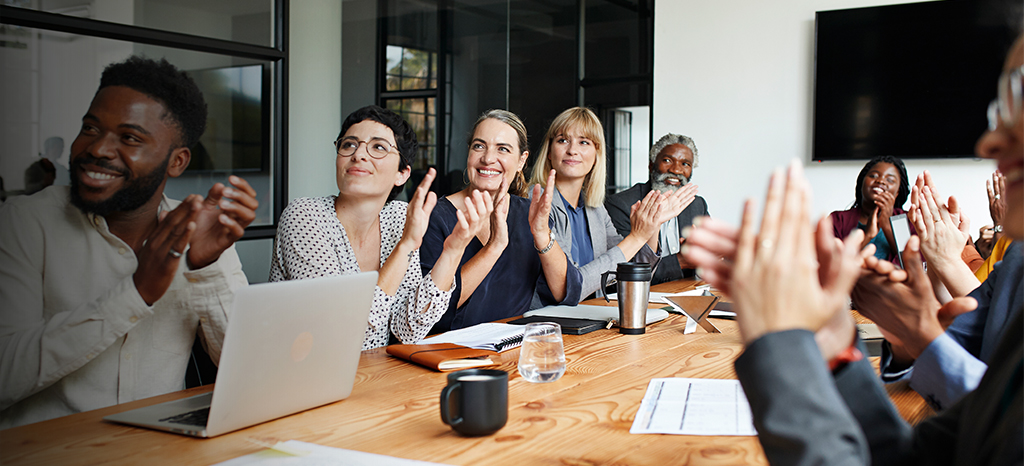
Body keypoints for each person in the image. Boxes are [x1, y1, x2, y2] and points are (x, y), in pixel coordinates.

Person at [682, 35, 1024, 465]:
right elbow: (914, 454)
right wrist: (834, 346)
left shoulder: (906, 225)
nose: (989, 143)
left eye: (1019, 97)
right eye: (1001, 110)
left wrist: (783, 348)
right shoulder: (1018, 263)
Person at [0, 56, 259, 428]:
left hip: (156, 451)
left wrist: (207, 268)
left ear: (177, 162)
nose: (98, 149)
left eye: (129, 138)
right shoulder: (24, 223)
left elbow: (247, 369)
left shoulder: (200, 233)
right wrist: (135, 293)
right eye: (90, 128)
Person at [269, 105, 489, 349]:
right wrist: (406, 246)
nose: (358, 154)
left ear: (402, 174)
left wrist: (453, 251)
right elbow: (338, 337)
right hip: (301, 379)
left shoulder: (397, 217)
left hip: (372, 376)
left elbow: (408, 329)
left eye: (378, 147)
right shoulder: (305, 217)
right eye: (349, 144)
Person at [420, 109, 582, 332]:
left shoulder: (529, 213)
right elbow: (431, 312)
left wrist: (542, 235)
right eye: (479, 146)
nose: (487, 158)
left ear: (521, 161)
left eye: (503, 149)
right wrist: (494, 246)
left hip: (512, 346)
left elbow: (566, 293)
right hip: (448, 351)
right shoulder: (435, 216)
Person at [527, 108, 695, 299]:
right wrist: (636, 237)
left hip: (590, 318)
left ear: (597, 154)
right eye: (562, 140)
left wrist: (652, 225)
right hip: (544, 323)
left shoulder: (595, 208)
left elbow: (633, 271)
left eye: (583, 142)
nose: (572, 150)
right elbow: (570, 288)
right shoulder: (536, 202)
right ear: (549, 151)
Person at [606, 133, 709, 284]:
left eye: (685, 164)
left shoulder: (697, 205)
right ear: (651, 165)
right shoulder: (622, 204)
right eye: (667, 160)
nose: (676, 170)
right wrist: (681, 261)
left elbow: (712, 256)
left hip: (687, 294)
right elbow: (625, 270)